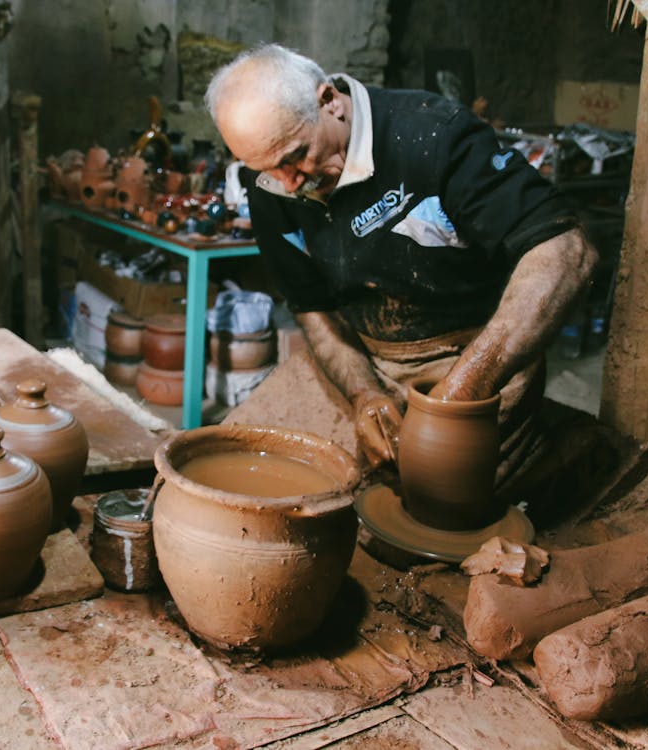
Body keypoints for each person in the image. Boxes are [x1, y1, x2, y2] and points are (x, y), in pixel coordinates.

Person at [205, 44, 598, 488]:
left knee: (442, 497)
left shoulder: (433, 135)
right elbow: (311, 305)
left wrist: (463, 389)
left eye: (296, 155)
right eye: (268, 169)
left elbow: (566, 248)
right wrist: (362, 394)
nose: (290, 182)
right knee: (248, 472)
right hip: (363, 358)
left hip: (476, 356)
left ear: (329, 101)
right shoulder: (273, 183)